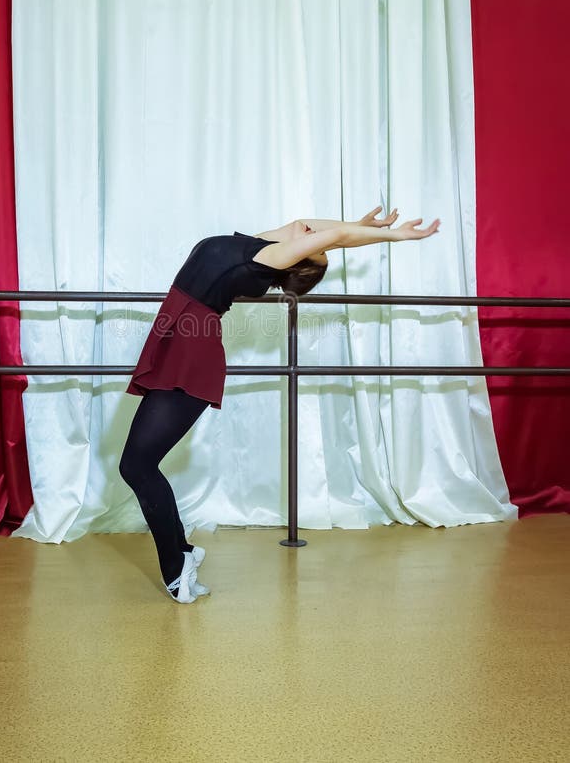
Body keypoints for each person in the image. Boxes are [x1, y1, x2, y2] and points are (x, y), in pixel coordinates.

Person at [119, 207, 440, 603]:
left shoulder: (267, 260)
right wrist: (362, 225)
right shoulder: (262, 244)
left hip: (190, 355)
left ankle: (177, 564)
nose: (308, 229)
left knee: (136, 465)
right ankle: (182, 553)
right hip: (180, 342)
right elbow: (323, 229)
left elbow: (330, 237)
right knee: (137, 464)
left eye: (310, 242)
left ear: (296, 255)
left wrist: (396, 237)